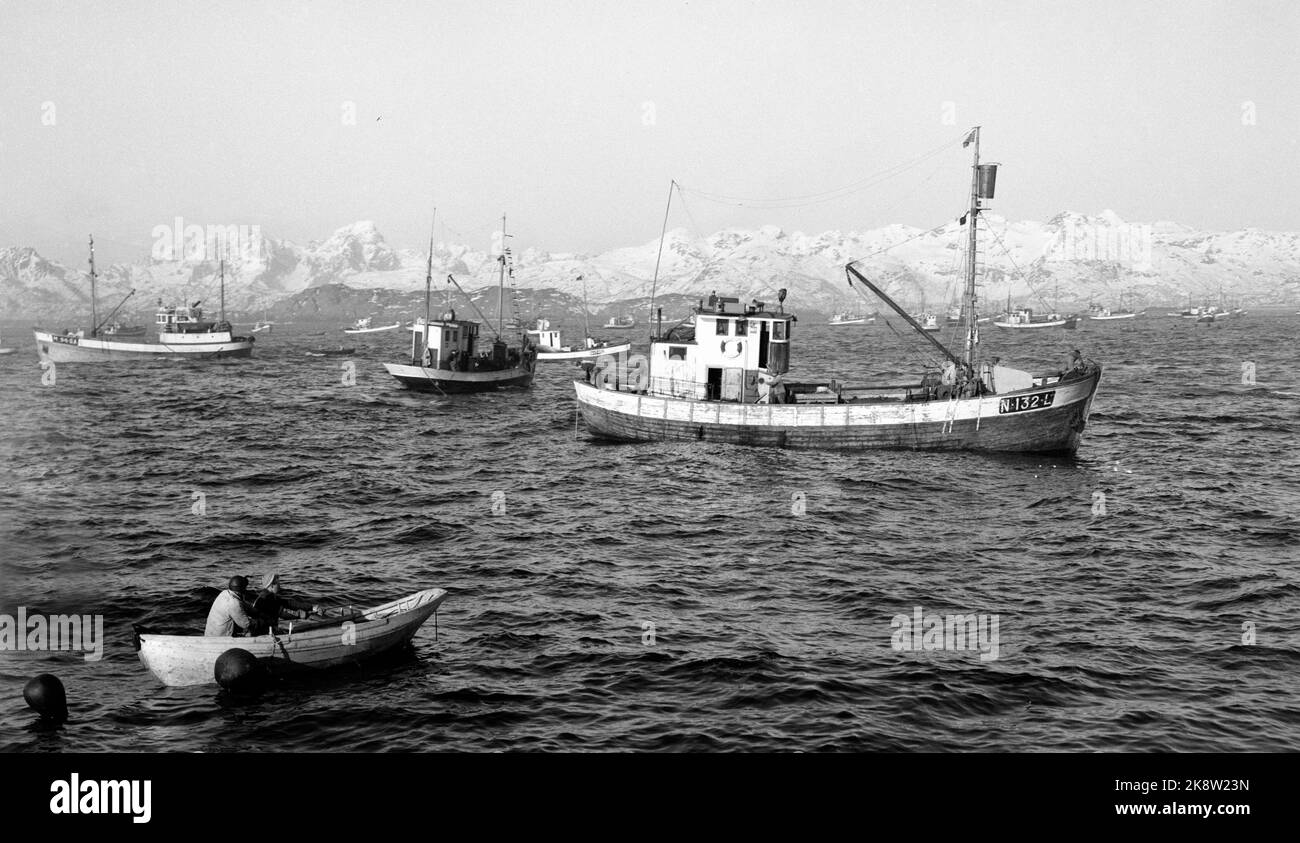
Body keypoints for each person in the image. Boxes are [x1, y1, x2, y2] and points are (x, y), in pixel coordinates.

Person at [250, 573, 318, 635]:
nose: (279, 584)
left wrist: (311, 607)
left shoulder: (270, 596)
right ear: (271, 586)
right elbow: (282, 613)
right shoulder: (267, 599)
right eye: (277, 582)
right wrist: (301, 614)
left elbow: (289, 603)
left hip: (268, 630)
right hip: (262, 633)